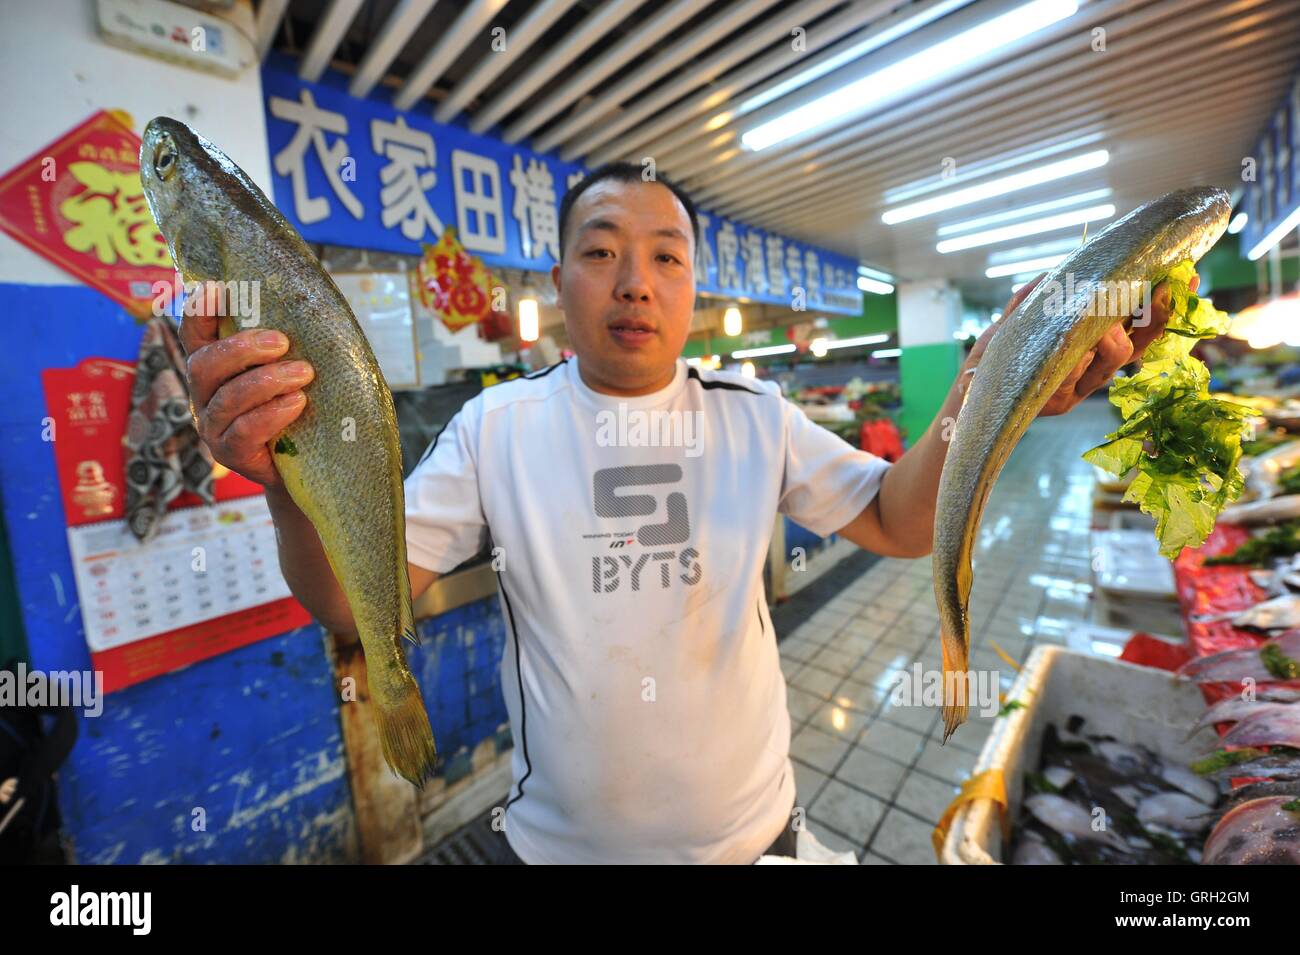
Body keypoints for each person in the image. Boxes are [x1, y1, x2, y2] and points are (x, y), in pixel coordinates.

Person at [177, 163, 1176, 864]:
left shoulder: (755, 416)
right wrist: (289, 484)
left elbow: (898, 522)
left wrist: (986, 393)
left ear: (694, 286)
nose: (633, 280)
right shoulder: (495, 426)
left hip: (753, 838)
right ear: (557, 281)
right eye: (599, 250)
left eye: (664, 255)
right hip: (553, 852)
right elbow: (358, 606)